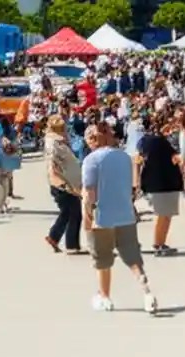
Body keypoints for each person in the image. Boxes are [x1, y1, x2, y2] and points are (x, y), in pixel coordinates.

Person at [82, 123, 157, 314]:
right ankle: (146, 290)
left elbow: (89, 191)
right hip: (125, 214)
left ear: (93, 140)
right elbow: (132, 186)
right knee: (132, 255)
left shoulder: (92, 160)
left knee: (103, 259)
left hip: (102, 216)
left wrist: (87, 217)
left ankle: (105, 297)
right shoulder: (124, 157)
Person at [136, 118, 183, 255]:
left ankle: (160, 243)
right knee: (163, 215)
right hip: (164, 183)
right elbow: (174, 159)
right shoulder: (161, 142)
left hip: (156, 183)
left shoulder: (144, 141)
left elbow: (139, 160)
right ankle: (158, 244)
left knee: (164, 215)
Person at [44, 114, 84, 253]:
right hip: (63, 184)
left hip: (68, 183)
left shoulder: (59, 141)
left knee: (68, 212)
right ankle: (69, 243)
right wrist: (63, 184)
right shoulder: (53, 143)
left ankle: (56, 237)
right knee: (73, 212)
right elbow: (53, 165)